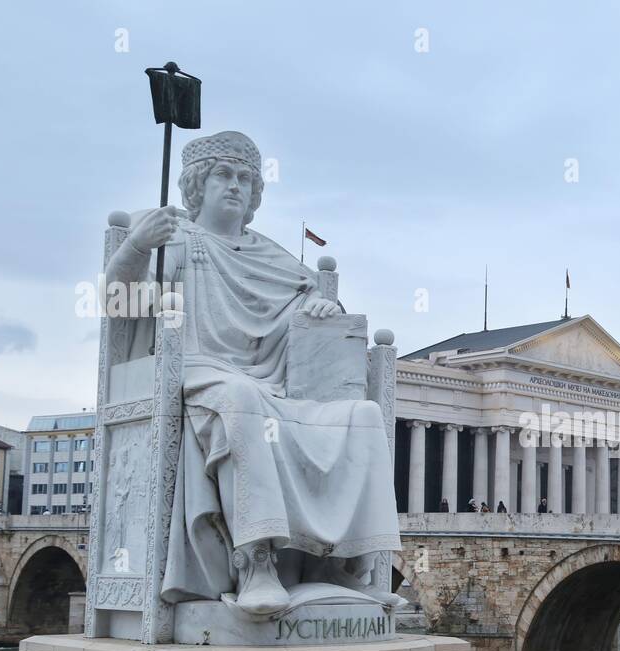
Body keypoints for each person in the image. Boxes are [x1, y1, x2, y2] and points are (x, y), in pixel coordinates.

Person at [107, 131, 400, 615]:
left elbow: (308, 313)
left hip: (277, 382)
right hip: (198, 372)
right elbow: (118, 306)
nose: (235, 186)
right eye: (223, 175)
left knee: (362, 414)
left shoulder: (273, 257)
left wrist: (325, 306)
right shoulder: (172, 238)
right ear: (197, 184)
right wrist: (136, 247)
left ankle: (342, 565)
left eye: (245, 178)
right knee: (241, 400)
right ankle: (256, 562)